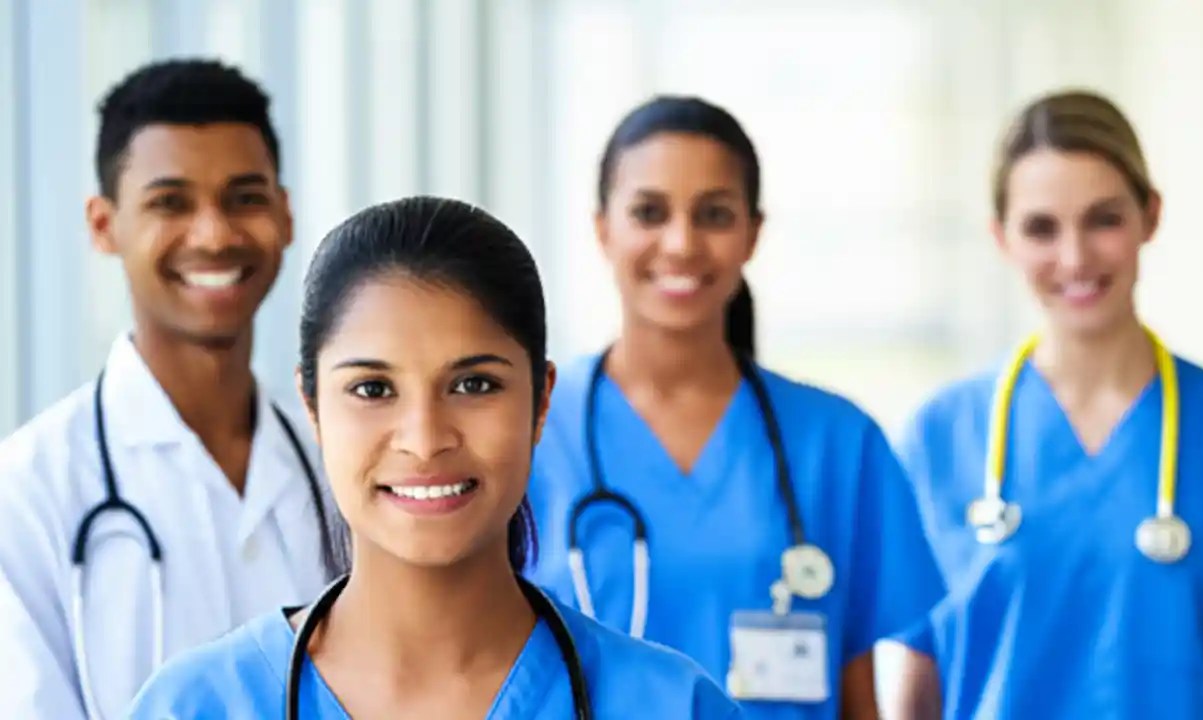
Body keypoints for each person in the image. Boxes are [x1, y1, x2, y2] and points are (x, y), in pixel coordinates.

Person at [128, 195, 745, 718]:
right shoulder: (195, 705)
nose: (424, 440)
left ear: (540, 400)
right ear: (313, 408)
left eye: (473, 385)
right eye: (372, 389)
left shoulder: (670, 705)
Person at [523, 95, 944, 718]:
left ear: (753, 232)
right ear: (601, 229)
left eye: (714, 214)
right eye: (649, 212)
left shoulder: (838, 443)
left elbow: (860, 695)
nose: (682, 242)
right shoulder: (532, 433)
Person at [888, 90, 1203, 719]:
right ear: (1001, 238)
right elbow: (917, 690)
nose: (1074, 258)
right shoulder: (941, 437)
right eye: (1041, 227)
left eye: (1104, 219)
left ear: (1150, 217)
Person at [0, 59, 334, 720]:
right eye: (170, 202)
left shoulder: (336, 462)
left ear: (286, 215)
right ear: (104, 225)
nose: (213, 233)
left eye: (244, 197)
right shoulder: (27, 492)